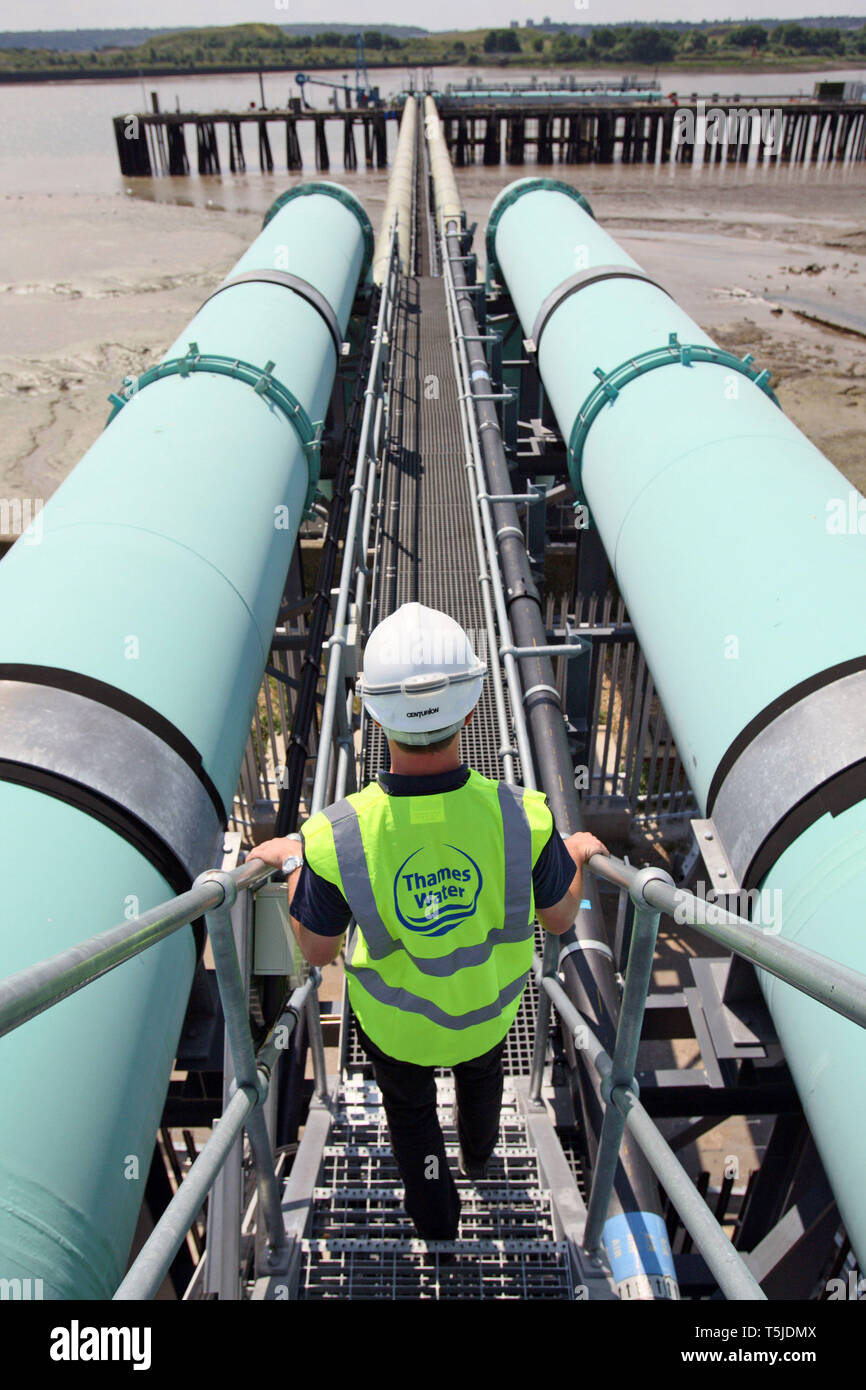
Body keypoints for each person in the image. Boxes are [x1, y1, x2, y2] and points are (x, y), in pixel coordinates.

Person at [252, 602, 608, 1242]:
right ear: (472, 709)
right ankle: (479, 1154)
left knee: (412, 1120)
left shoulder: (335, 837)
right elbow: (560, 918)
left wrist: (294, 865)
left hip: (397, 1031)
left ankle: (439, 1224)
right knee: (482, 1085)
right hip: (487, 1014)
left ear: (370, 712)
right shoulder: (523, 816)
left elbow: (314, 948)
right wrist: (575, 853)